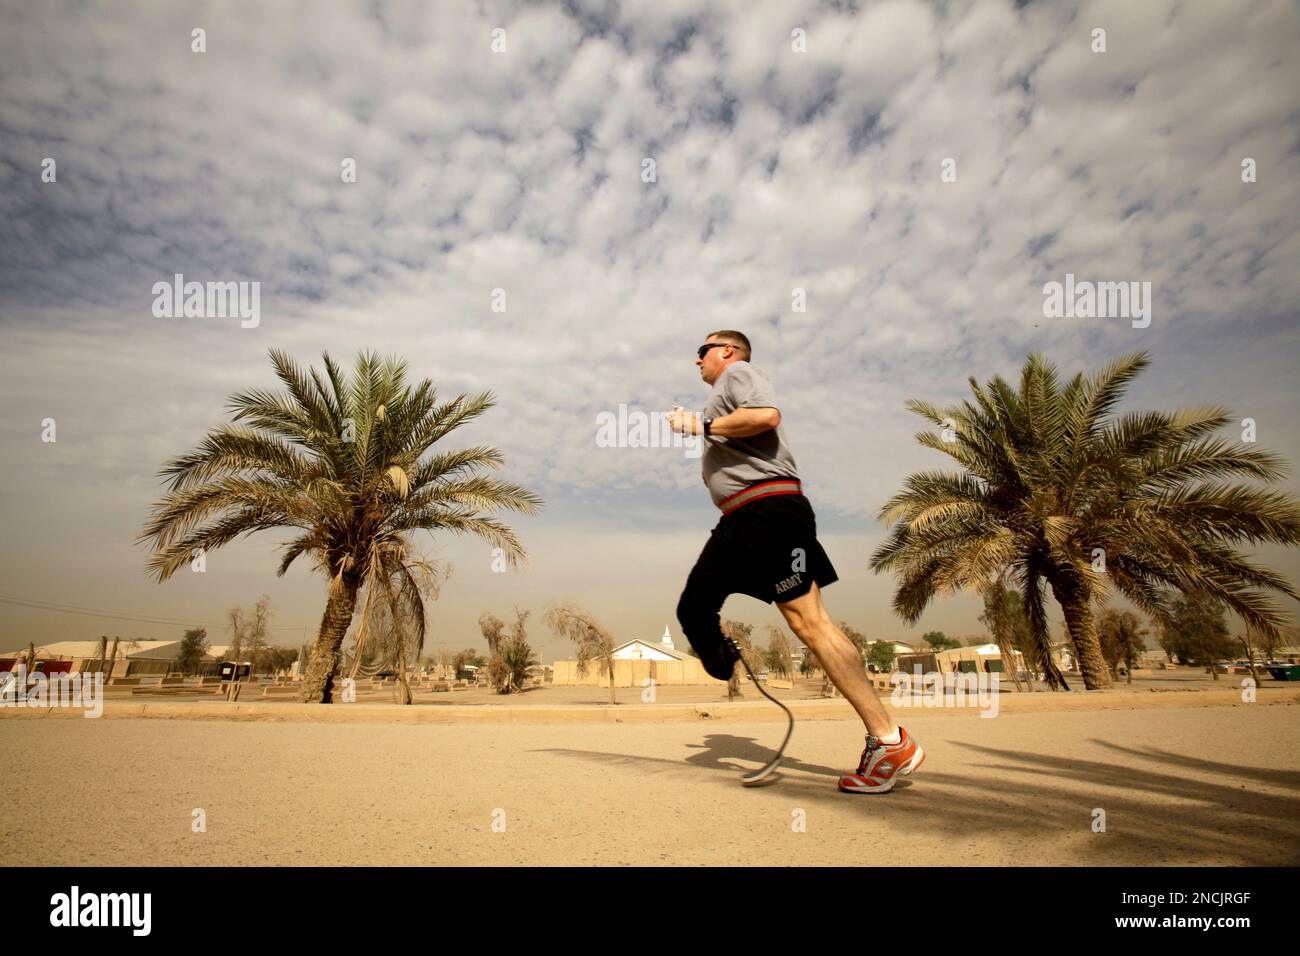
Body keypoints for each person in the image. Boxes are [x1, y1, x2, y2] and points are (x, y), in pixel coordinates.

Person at [668, 330, 924, 793]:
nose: (696, 360)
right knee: (694, 608)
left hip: (769, 513)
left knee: (811, 625)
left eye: (702, 351)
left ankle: (889, 740)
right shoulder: (723, 396)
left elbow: (766, 416)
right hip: (740, 520)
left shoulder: (738, 374)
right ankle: (724, 661)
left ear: (726, 351)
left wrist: (700, 427)